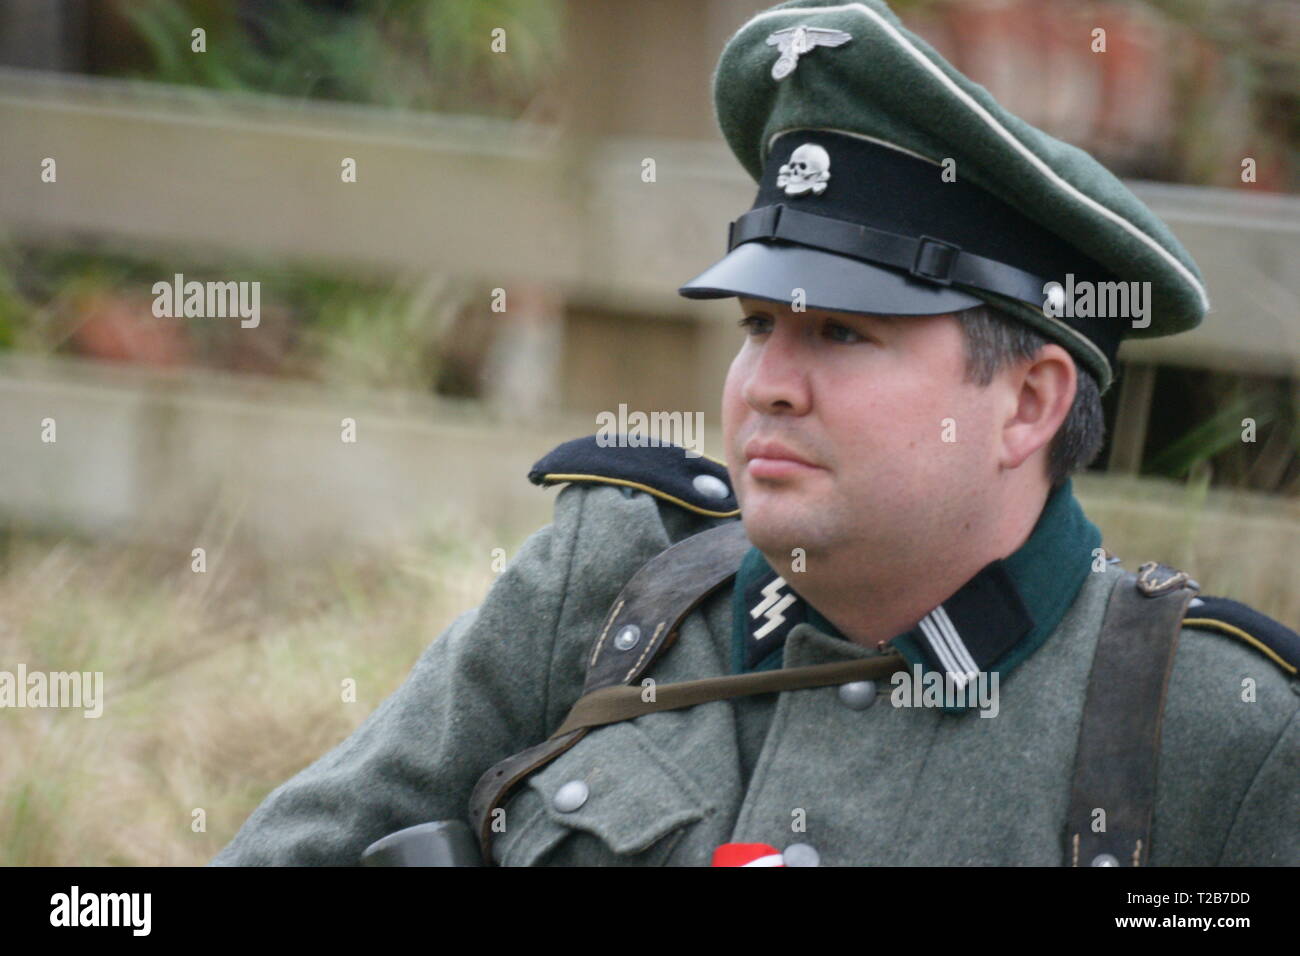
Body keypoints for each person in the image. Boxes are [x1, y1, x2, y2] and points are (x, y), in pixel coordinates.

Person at [210, 0, 1298, 867]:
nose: (767, 383)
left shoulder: (1212, 733)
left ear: (1027, 402)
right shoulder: (610, 587)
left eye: (840, 332)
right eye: (757, 323)